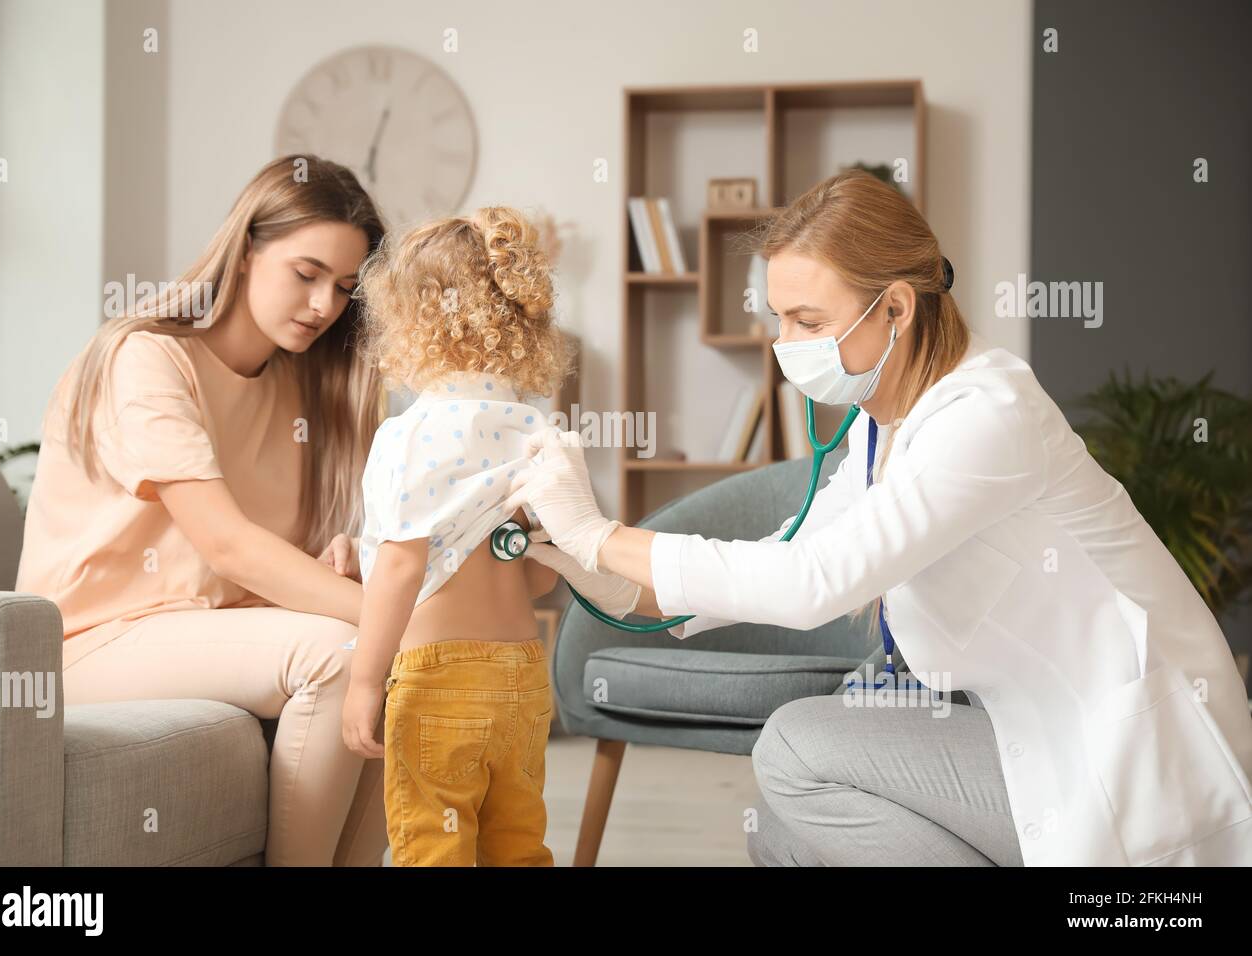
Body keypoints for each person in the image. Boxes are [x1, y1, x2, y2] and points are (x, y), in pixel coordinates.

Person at [508, 169, 1252, 867]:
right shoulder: (879, 423)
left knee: (797, 749)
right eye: (779, 319)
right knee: (781, 833)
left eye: (809, 320)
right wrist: (591, 567)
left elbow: (814, 583)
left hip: (1129, 755)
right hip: (1030, 728)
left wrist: (604, 533)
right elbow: (786, 553)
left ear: (896, 306)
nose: (786, 346)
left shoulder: (987, 414)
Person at [17, 155, 390, 866]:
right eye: (305, 273)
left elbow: (256, 569)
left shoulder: (298, 390)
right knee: (349, 651)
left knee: (383, 663)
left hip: (201, 631)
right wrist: (386, 613)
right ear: (246, 250)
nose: (323, 306)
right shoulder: (147, 359)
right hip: (92, 642)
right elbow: (227, 547)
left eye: (343, 289)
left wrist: (335, 565)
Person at [340, 206, 575, 866]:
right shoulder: (532, 428)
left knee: (433, 845)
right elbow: (542, 572)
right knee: (518, 843)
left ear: (413, 321)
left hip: (438, 681)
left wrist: (364, 682)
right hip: (525, 678)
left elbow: (400, 569)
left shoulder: (410, 434)